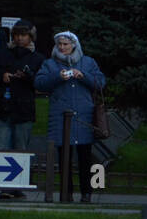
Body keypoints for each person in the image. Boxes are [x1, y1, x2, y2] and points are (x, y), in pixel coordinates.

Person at [34, 31, 106, 204]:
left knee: (85, 158)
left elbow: (101, 82)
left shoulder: (88, 62)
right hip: (60, 117)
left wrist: (83, 76)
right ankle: (66, 193)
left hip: (84, 117)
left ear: (74, 45)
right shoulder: (50, 64)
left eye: (66, 44)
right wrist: (57, 77)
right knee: (63, 158)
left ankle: (86, 193)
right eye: (59, 44)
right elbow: (39, 83)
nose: (62, 47)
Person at [0, 20, 43, 199]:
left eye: (23, 35)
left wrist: (27, 76)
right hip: (2, 107)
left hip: (23, 108)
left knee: (21, 148)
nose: (19, 38)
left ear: (30, 37)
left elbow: (41, 81)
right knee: (2, 147)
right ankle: (5, 187)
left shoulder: (37, 58)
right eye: (16, 34)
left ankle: (18, 185)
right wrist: (2, 76)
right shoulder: (2, 53)